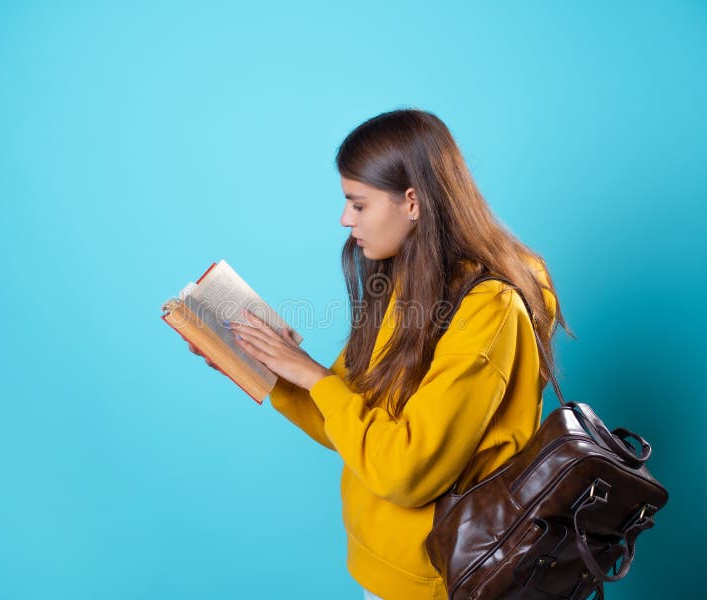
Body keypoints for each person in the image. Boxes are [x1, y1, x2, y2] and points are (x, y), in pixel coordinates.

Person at [189, 108, 570, 600]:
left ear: (412, 201)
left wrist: (311, 376)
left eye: (358, 204)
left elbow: (405, 471)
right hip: (386, 575)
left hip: (442, 583)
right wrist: (267, 367)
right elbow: (351, 425)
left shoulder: (490, 308)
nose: (345, 219)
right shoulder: (405, 277)